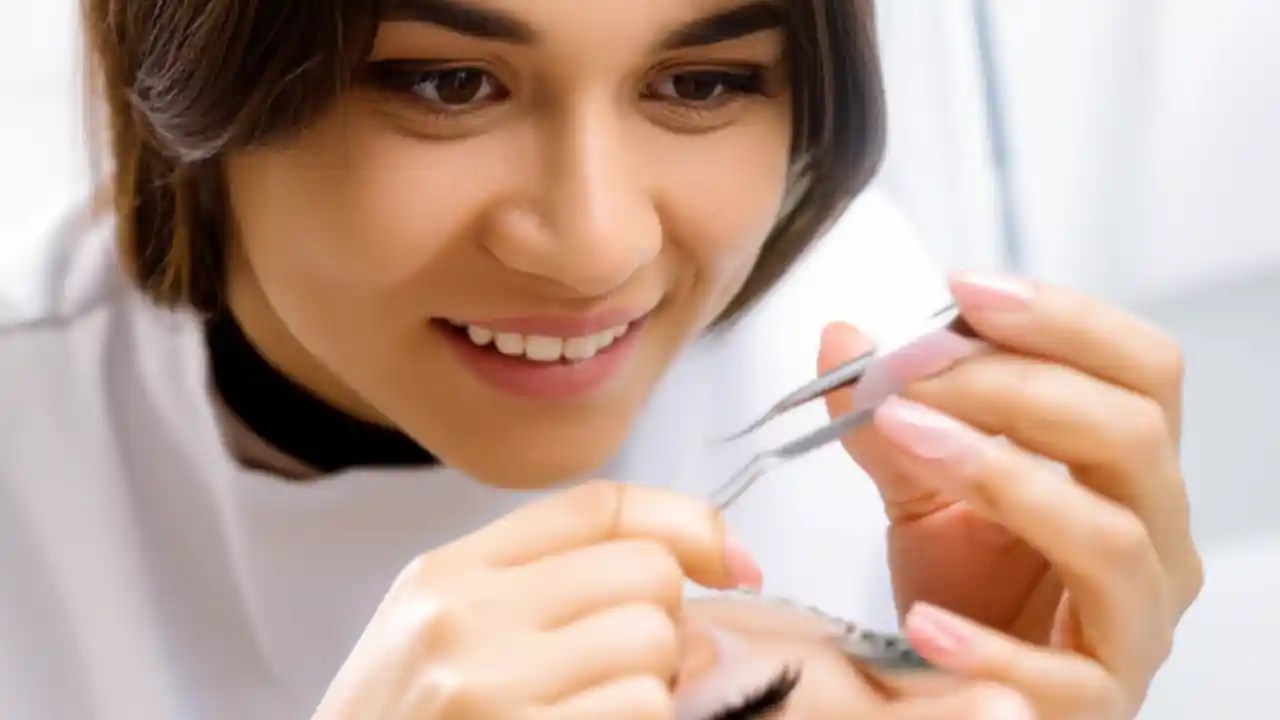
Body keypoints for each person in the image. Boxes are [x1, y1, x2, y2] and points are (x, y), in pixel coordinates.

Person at [0, 0, 1202, 718]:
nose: (595, 245)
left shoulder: (862, 357)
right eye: (448, 83)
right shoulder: (31, 446)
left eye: (701, 81)